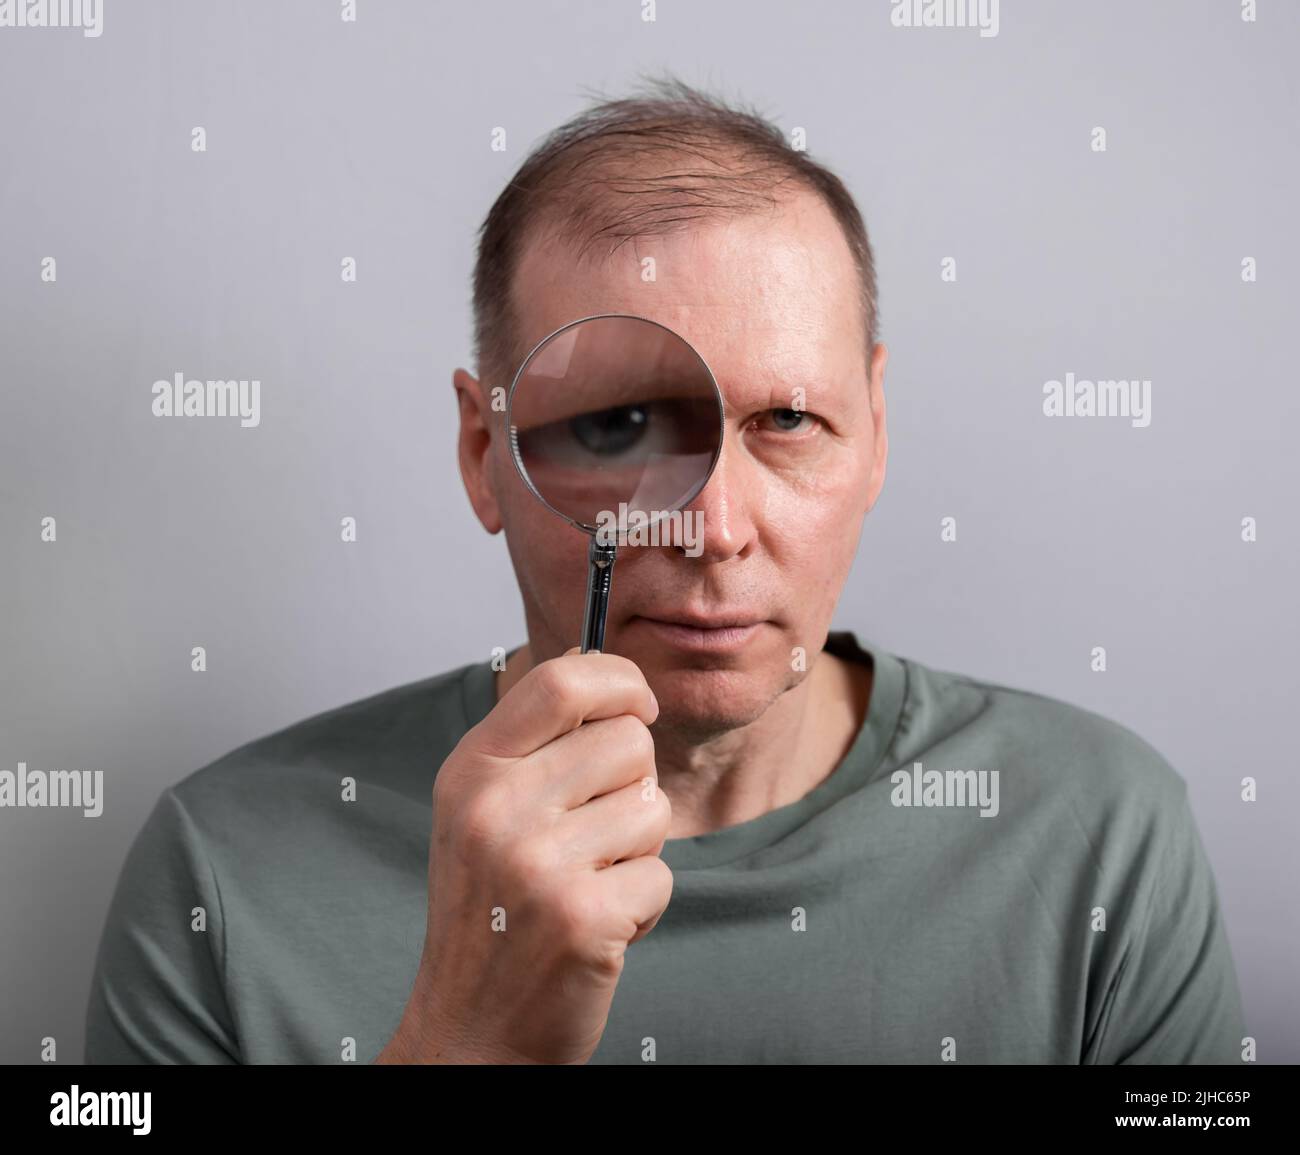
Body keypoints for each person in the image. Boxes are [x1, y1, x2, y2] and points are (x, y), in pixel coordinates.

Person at [85, 77, 1246, 1065]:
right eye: (616, 427)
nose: (715, 527)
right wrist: (464, 1042)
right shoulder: (224, 874)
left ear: (875, 432)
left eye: (787, 417)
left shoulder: (1099, 834)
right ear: (485, 455)